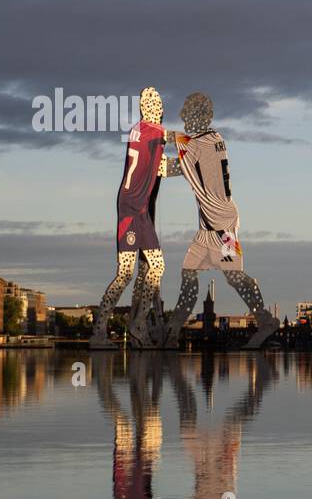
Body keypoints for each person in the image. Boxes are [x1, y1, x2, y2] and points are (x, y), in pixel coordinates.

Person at [162, 92, 278, 349]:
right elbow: (184, 164)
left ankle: (265, 319)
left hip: (223, 227)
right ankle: (172, 332)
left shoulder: (196, 143)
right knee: (189, 274)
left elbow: (171, 157)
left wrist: (144, 141)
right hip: (209, 227)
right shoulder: (215, 138)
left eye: (187, 113)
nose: (182, 118)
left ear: (201, 117)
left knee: (233, 275)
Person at [90, 87, 168, 349]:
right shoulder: (155, 132)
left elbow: (156, 169)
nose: (159, 108)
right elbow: (165, 166)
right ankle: (106, 330)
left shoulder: (140, 131)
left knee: (148, 267)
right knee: (127, 272)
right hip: (133, 209)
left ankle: (128, 325)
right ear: (150, 109)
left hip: (135, 207)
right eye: (156, 104)